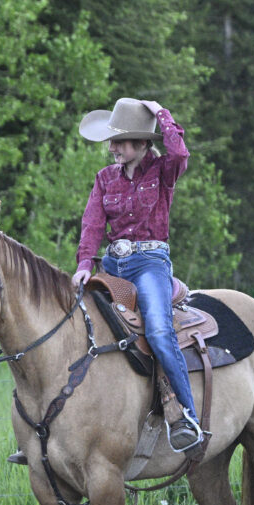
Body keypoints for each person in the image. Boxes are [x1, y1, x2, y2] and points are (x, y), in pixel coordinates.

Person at [72, 97, 201, 452]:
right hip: (112, 264)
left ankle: (187, 416)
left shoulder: (164, 171)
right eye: (112, 141)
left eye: (121, 141)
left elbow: (180, 154)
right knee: (70, 322)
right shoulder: (104, 179)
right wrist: (85, 265)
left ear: (143, 144)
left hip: (150, 264)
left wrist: (161, 113)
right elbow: (92, 224)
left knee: (159, 331)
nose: (112, 148)